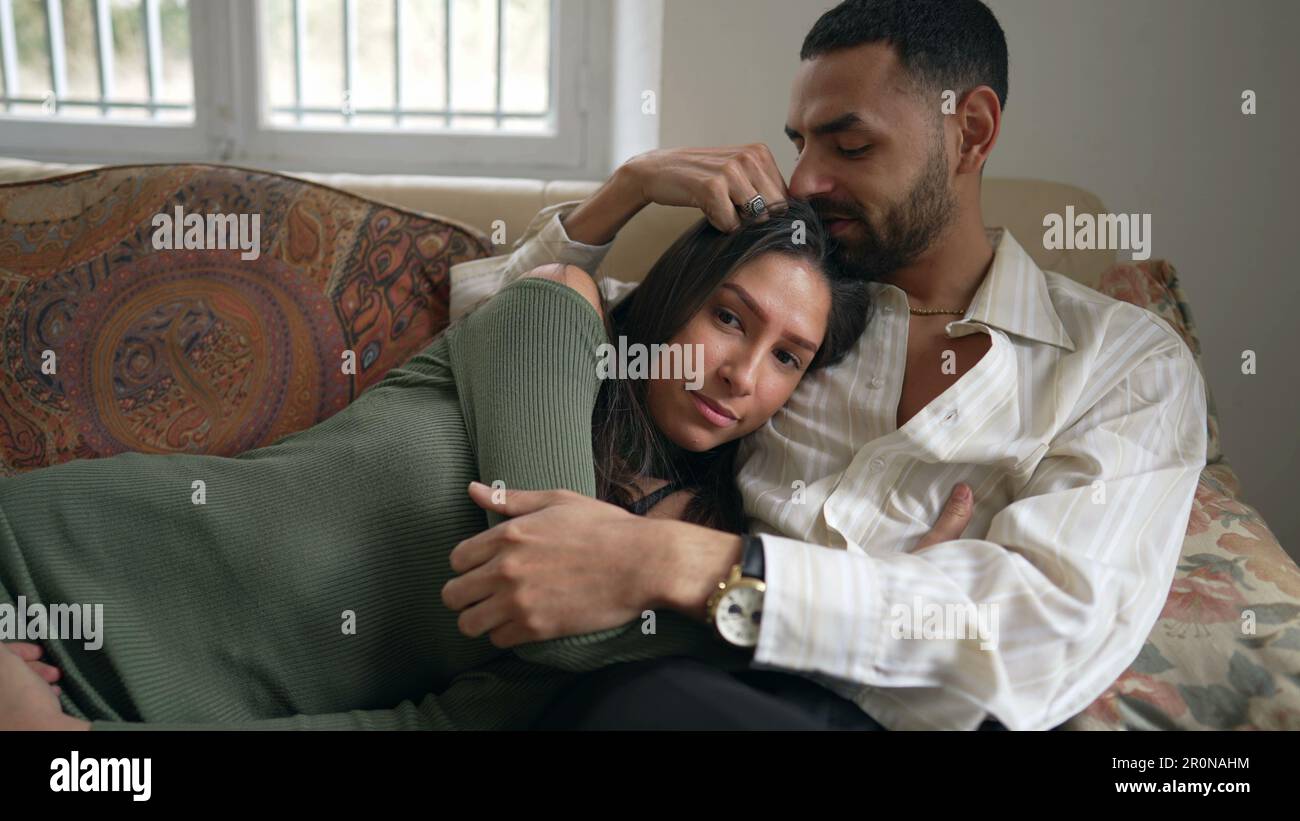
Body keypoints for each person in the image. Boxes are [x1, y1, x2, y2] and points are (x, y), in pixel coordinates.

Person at [439, 0, 1210, 731]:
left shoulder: (1124, 363)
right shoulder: (785, 296)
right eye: (800, 142)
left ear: (970, 131)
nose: (804, 179)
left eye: (850, 145)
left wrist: (683, 561)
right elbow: (504, 329)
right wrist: (627, 188)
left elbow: (1047, 626)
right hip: (683, 678)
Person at [0, 198, 975, 731]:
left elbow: (427, 724)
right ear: (678, 289)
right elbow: (548, 592)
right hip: (40, 553)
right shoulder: (557, 316)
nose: (739, 372)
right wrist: (832, 604)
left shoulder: (690, 552)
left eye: (786, 357)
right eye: (729, 315)